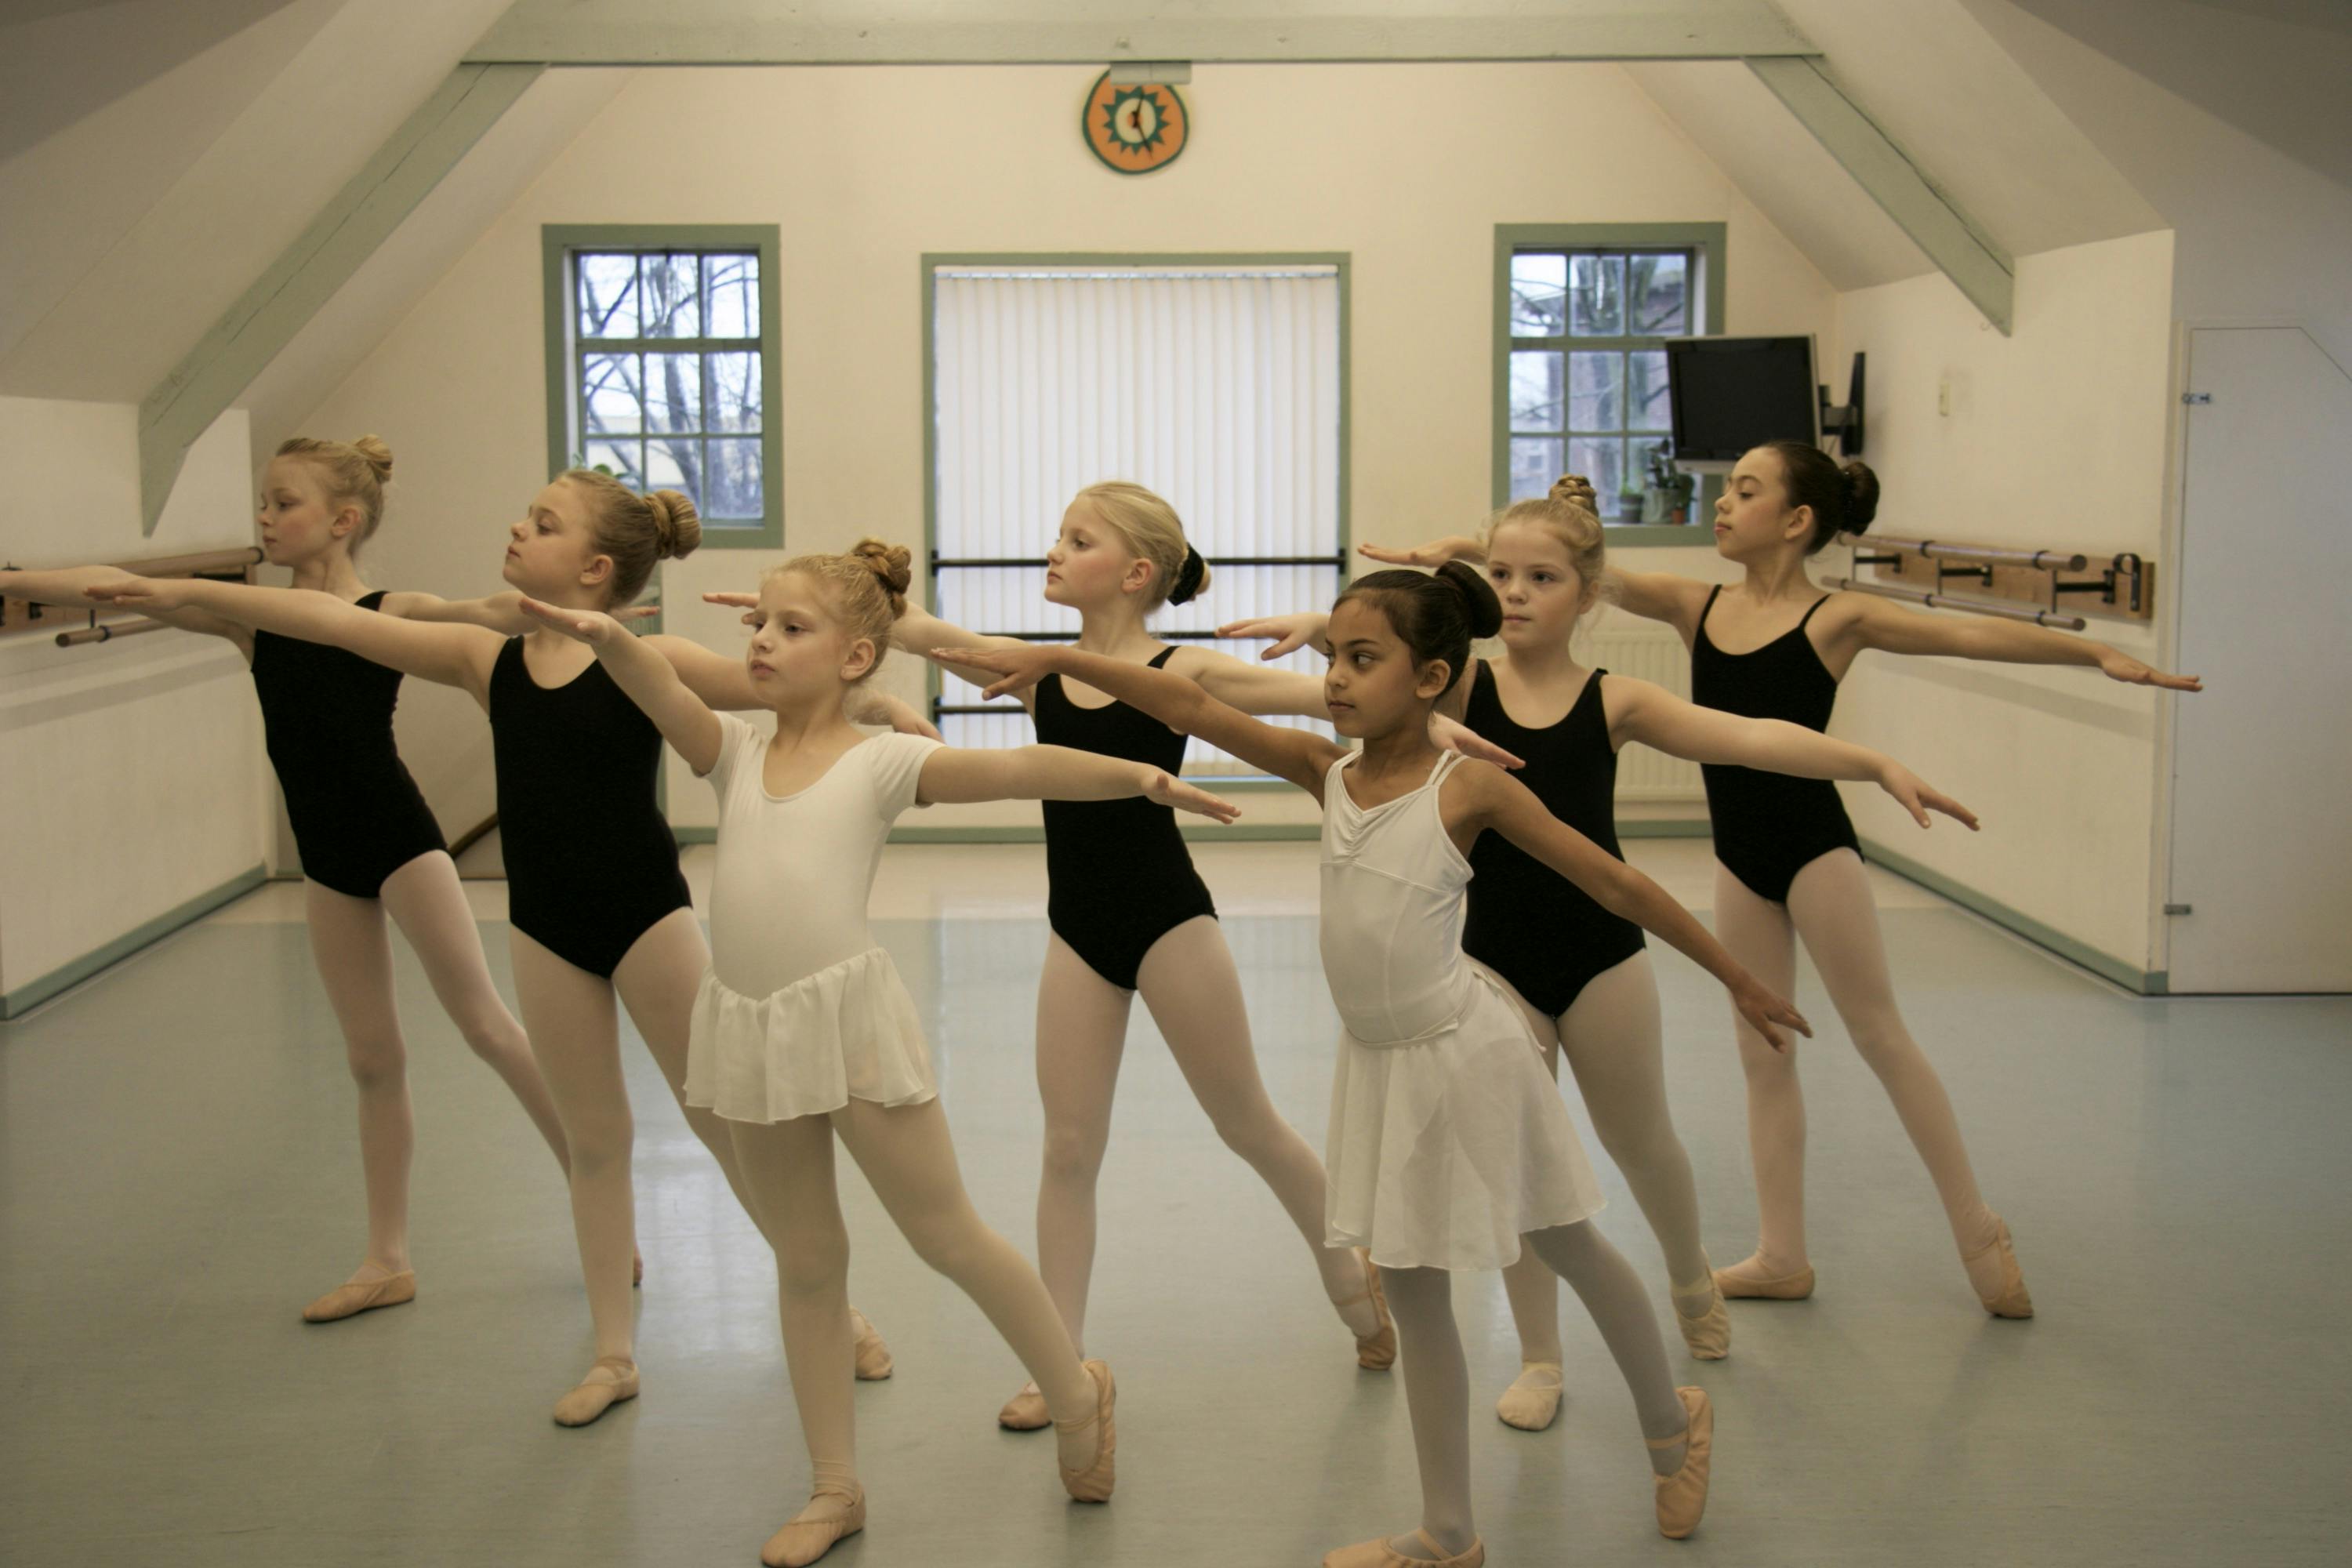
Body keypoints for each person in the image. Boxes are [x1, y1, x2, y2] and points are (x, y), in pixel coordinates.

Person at [934, 561, 1821, 1564]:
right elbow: (1187, 702)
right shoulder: (1329, 771)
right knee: (1413, 1287)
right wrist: (1056, 658)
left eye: (1363, 658)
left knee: (1566, 1240)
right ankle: (1448, 1531)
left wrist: (1738, 977)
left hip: (1469, 1053)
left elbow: (1617, 884)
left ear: (1432, 677)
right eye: (1333, 656)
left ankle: (1671, 1421)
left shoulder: (1469, 786)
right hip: (1382, 1065)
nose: (1337, 677)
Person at [86, 469, 909, 1421]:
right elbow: (333, 622)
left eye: (543, 523)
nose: (518, 528)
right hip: (544, 927)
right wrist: (179, 594)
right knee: (595, 1141)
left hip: (647, 918)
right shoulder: (488, 660)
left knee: (722, 1125)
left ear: (594, 568)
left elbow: (788, 687)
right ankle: (613, 1355)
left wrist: (888, 712)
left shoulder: (649, 658)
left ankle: (835, 1307)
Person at [516, 539, 1243, 1564]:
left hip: (848, 1022)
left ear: (857, 657)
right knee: (807, 1260)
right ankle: (835, 1487)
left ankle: (1078, 1391)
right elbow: (660, 689)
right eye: (759, 624)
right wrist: (607, 638)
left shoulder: (881, 760)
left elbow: (1017, 768)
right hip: (751, 1026)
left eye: (792, 627)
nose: (763, 641)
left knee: (946, 1235)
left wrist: (1141, 778)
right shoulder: (732, 749)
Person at [1226, 486, 1973, 1428]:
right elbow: (1355, 667)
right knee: (1518, 1169)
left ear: (1589, 594)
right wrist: (1328, 635)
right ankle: (1540, 1353)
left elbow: (1748, 737)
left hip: (1602, 956)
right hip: (1488, 965)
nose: (1518, 592)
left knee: (1640, 1138)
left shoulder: (1614, 697)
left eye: (1543, 577)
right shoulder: (1457, 689)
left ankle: (1689, 1276)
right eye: (1503, 574)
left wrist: (1869, 762)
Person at [0, 436, 571, 1323]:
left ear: (343, 520)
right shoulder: (254, 617)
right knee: (372, 1059)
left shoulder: (388, 609)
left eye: (283, 503)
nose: (264, 518)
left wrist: (581, 614)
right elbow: (130, 586)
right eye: (263, 502)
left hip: (400, 842)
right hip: (325, 859)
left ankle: (596, 1190)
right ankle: (387, 1259)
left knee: (487, 1026)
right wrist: (18, 579)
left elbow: (487, 611)